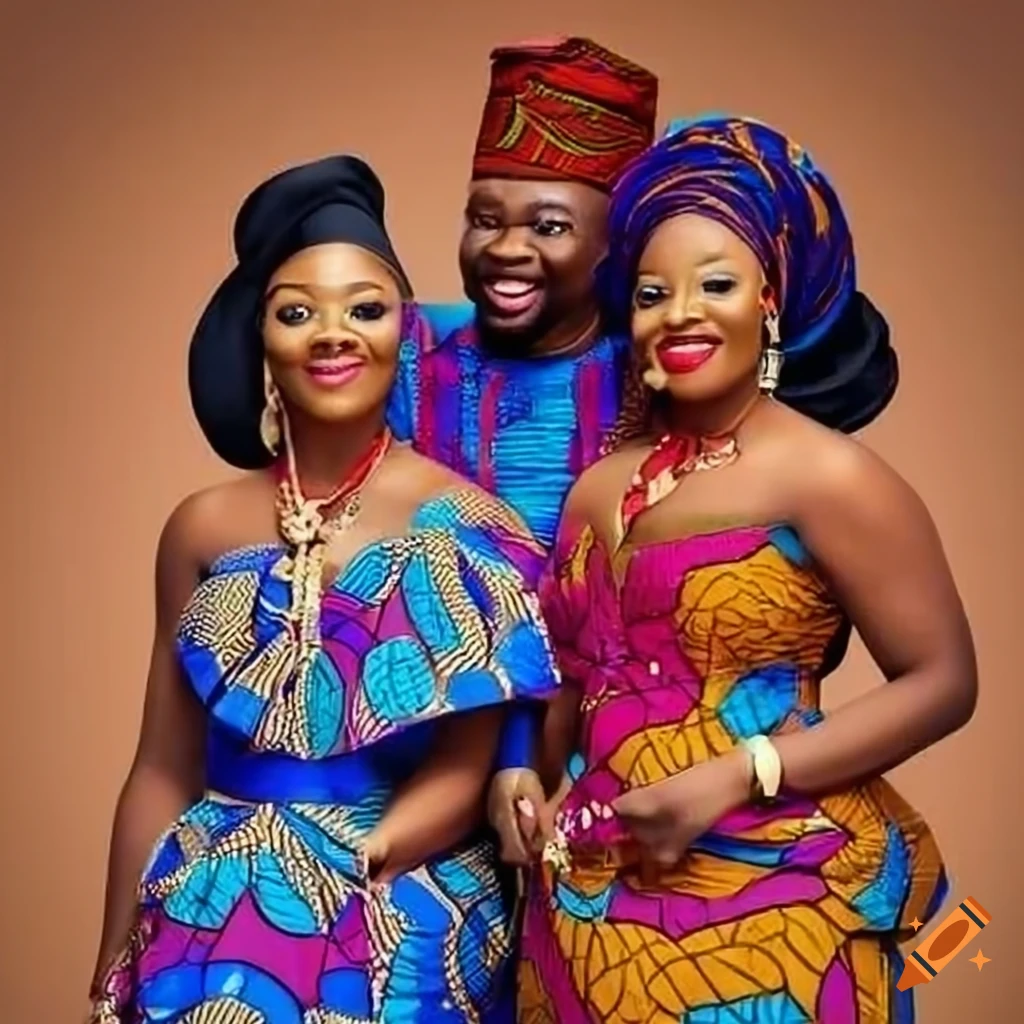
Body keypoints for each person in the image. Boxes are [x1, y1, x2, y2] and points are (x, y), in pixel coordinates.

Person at [496, 117, 977, 1022]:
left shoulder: (830, 474)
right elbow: (573, 675)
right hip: (594, 902)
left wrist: (737, 772)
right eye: (651, 292)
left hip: (778, 895)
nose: (679, 312)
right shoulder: (597, 487)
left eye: (714, 283)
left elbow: (946, 682)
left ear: (770, 300)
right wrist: (522, 769)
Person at [87, 154, 560, 1024]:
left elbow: (468, 769)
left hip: (403, 906)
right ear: (262, 344)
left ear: (400, 335)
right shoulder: (201, 527)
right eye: (298, 312)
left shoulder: (474, 525)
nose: (334, 333)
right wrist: (112, 964)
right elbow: (160, 768)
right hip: (207, 900)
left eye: (366, 309)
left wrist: (344, 873)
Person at [387, 36, 658, 550]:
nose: (508, 247)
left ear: (613, 245)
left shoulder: (653, 368)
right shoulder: (405, 352)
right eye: (485, 221)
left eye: (550, 227)